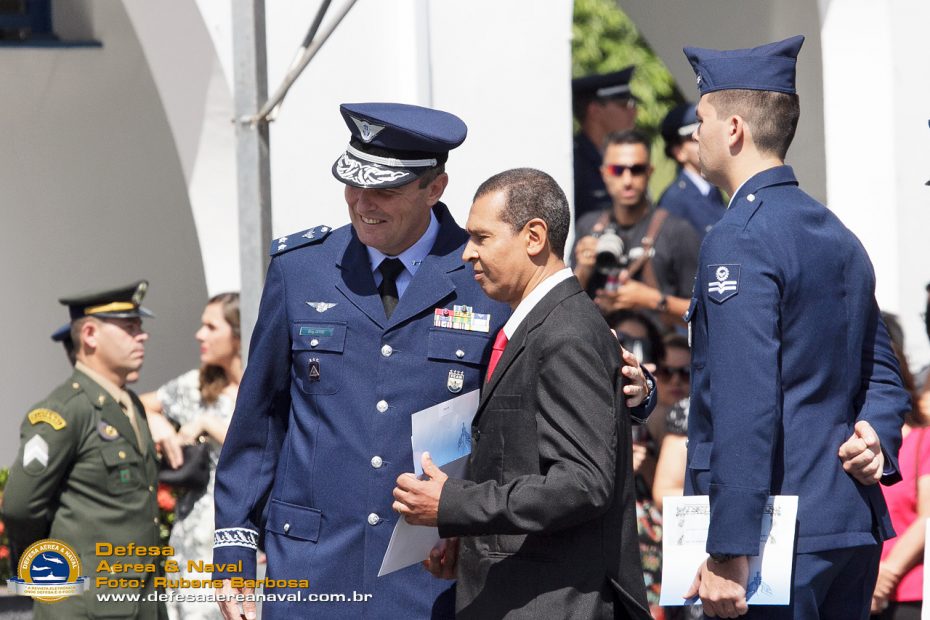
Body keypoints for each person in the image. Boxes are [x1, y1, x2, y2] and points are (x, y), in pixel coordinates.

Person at [680, 36, 910, 618]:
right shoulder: (836, 233)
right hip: (845, 524)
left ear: (733, 128)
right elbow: (882, 374)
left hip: (773, 539)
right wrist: (876, 435)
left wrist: (730, 546)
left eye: (700, 118)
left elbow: (744, 401)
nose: (694, 133)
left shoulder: (739, 237)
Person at [391, 168, 652, 619]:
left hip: (554, 602)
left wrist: (454, 503)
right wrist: (467, 533)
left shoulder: (566, 332)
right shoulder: (539, 325)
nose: (468, 253)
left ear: (534, 236)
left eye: (482, 237)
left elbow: (583, 483)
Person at [2, 281, 166, 619]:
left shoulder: (128, 404)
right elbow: (20, 507)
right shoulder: (65, 411)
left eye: (140, 326)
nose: (142, 335)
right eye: (129, 327)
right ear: (90, 335)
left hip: (141, 602)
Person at [140, 292, 241, 620]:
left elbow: (267, 452)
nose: (199, 335)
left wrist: (209, 424)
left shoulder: (269, 388)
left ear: (238, 333)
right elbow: (137, 404)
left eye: (211, 327)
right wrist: (161, 426)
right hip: (197, 540)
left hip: (252, 537)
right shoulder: (195, 386)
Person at [573, 129, 701, 327]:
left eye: (636, 169)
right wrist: (584, 269)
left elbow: (702, 314)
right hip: (599, 353)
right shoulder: (588, 226)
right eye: (617, 170)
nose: (627, 180)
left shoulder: (678, 231)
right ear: (603, 173)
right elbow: (564, 308)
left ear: (649, 171)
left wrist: (651, 300)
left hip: (658, 353)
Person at [870, 313, 929, 619]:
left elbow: (927, 517)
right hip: (853, 584)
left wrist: (886, 575)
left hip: (906, 591)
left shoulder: (922, 440)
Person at [572, 67, 638, 222]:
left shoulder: (620, 155)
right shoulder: (575, 163)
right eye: (623, 106)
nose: (633, 112)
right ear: (595, 111)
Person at [657, 102, 726, 240]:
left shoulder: (711, 189)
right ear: (679, 152)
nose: (704, 142)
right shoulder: (674, 200)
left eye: (706, 134)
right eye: (694, 139)